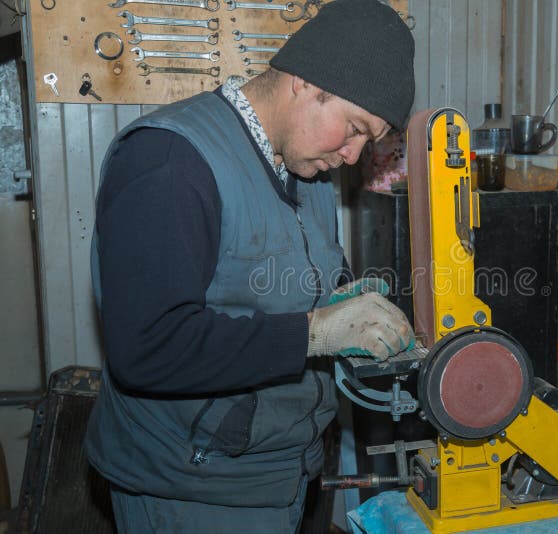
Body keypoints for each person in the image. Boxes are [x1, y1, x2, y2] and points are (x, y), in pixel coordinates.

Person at [84, 1, 415, 531]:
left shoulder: (307, 169)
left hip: (279, 474)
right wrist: (315, 332)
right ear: (307, 81)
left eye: (367, 140)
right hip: (191, 489)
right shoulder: (170, 162)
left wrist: (345, 298)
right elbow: (148, 347)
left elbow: (299, 278)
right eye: (354, 128)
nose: (354, 156)